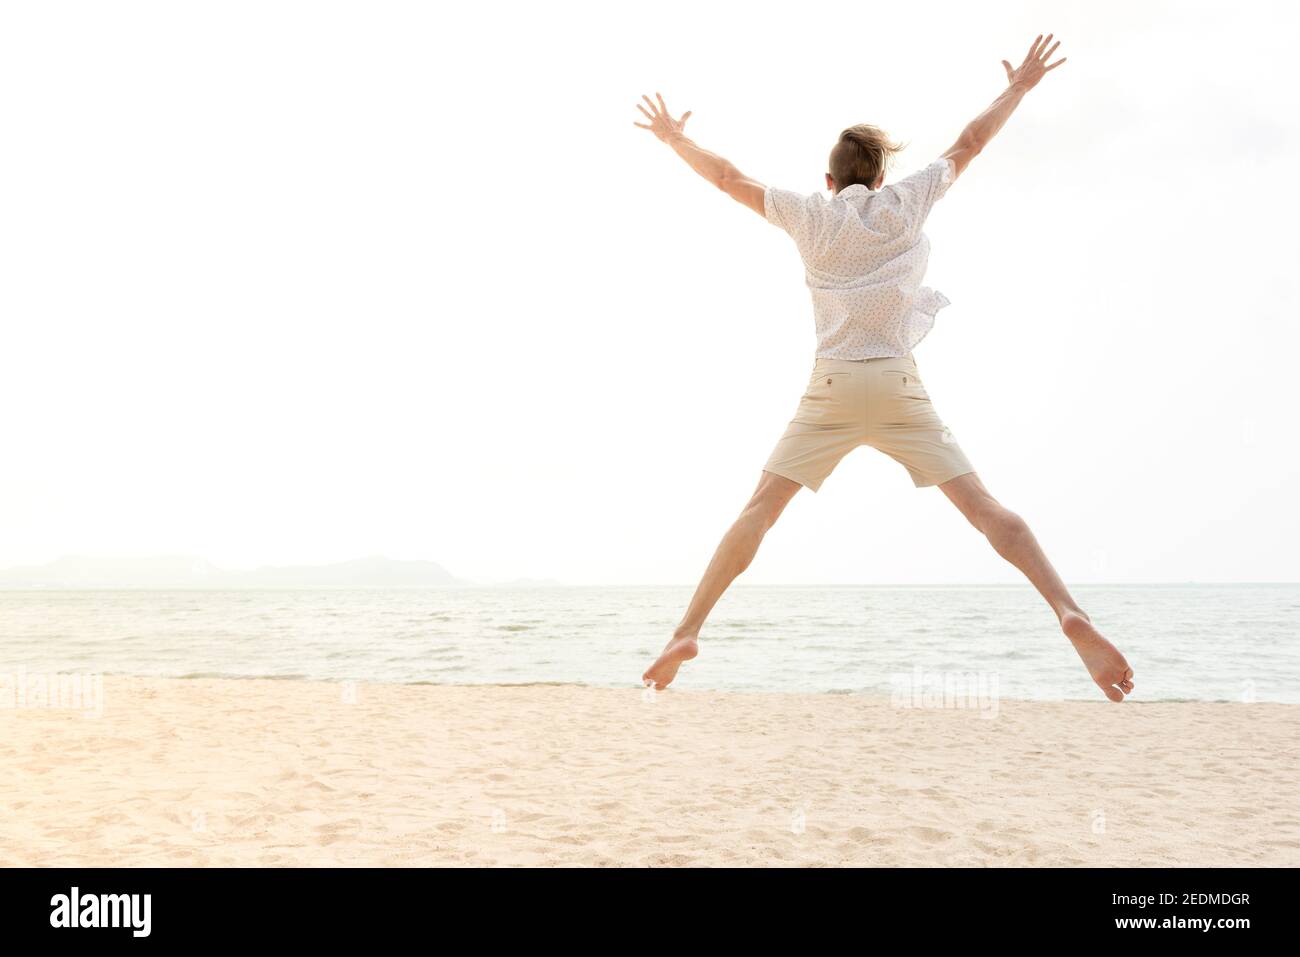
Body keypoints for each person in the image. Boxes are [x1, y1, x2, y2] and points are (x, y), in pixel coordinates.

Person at [632, 33, 1135, 702]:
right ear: (880, 176)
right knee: (986, 509)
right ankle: (1070, 611)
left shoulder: (808, 212)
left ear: (831, 181)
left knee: (759, 509)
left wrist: (673, 139)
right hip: (898, 384)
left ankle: (687, 629)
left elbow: (729, 178)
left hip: (831, 387)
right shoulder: (907, 202)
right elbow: (970, 142)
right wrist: (1018, 87)